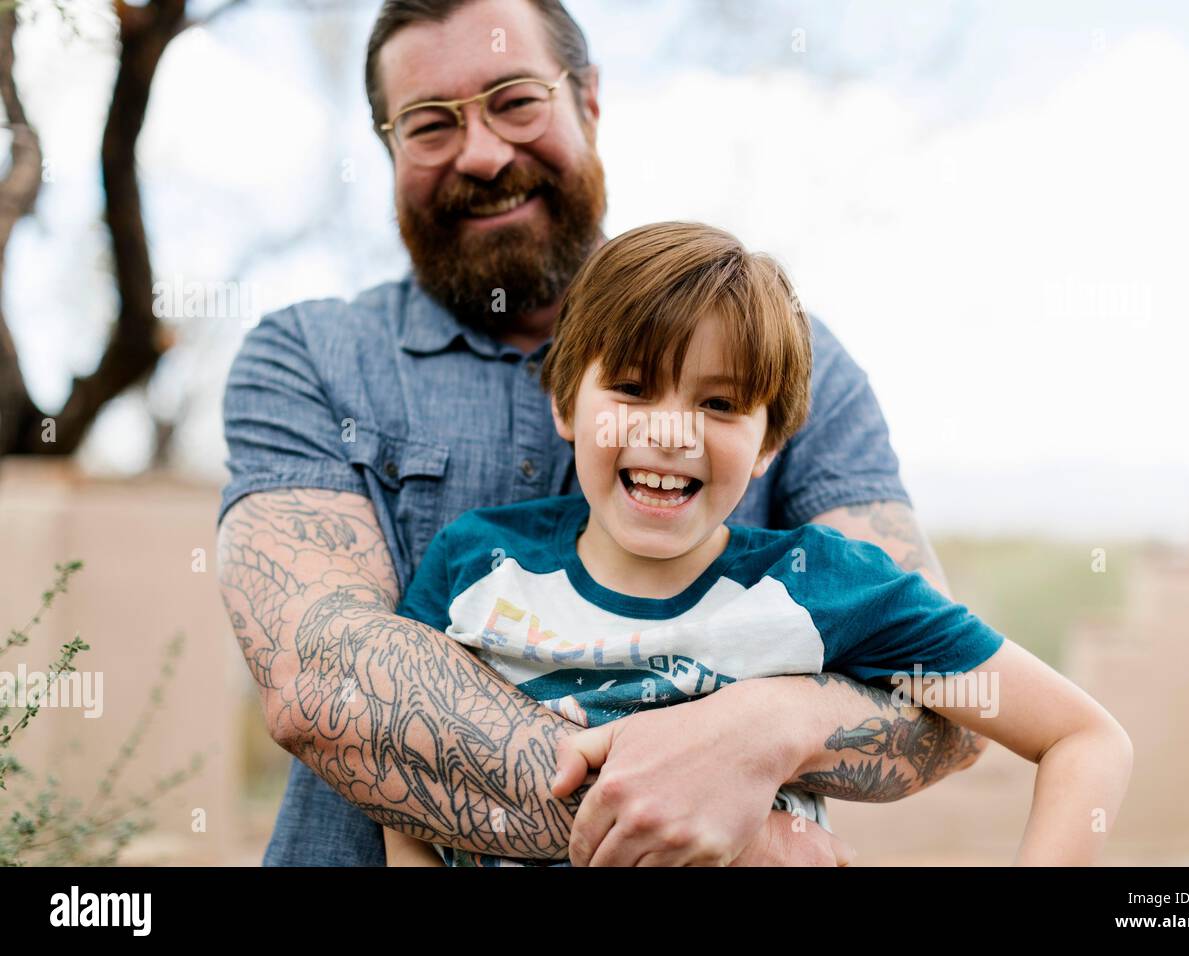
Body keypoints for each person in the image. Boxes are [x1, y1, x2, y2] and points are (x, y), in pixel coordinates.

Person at [217, 0, 995, 867]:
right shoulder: (309, 360)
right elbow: (325, 684)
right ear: (389, 148)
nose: (481, 154)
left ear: (589, 100)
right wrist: (734, 841)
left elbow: (950, 707)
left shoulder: (787, 367)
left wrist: (780, 722)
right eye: (429, 124)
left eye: (516, 101)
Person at [381, 222, 1133, 866]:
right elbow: (394, 767)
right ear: (565, 401)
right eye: (635, 389)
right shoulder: (474, 567)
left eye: (718, 403)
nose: (671, 433)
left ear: (771, 441)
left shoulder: (823, 587)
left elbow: (1085, 738)